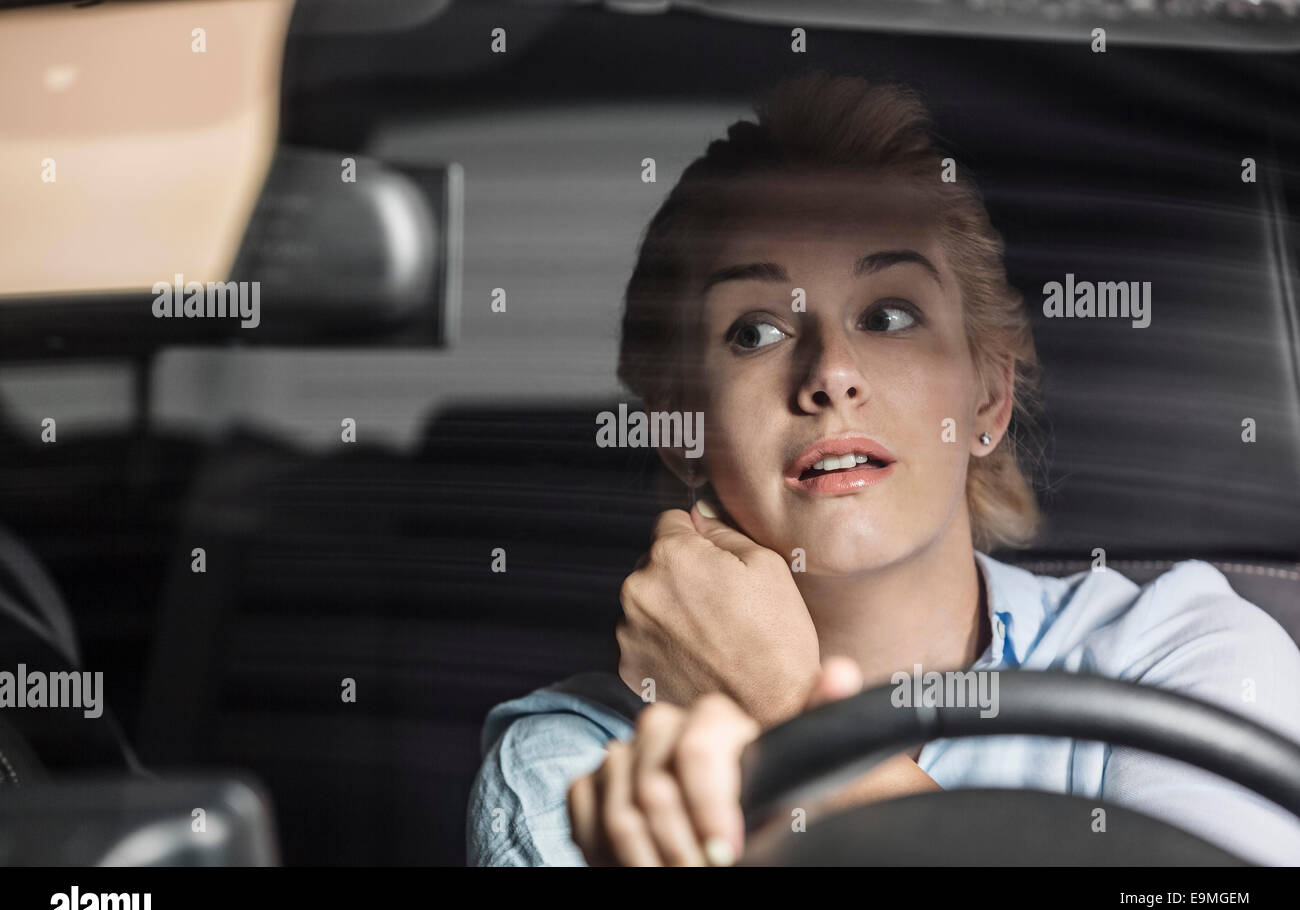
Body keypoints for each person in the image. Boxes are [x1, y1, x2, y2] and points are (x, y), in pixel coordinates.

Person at [466, 70, 1300, 867]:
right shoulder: (578, 766)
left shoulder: (1180, 655)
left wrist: (787, 713)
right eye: (754, 331)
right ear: (683, 430)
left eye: (889, 313)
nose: (831, 372)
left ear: (987, 400)